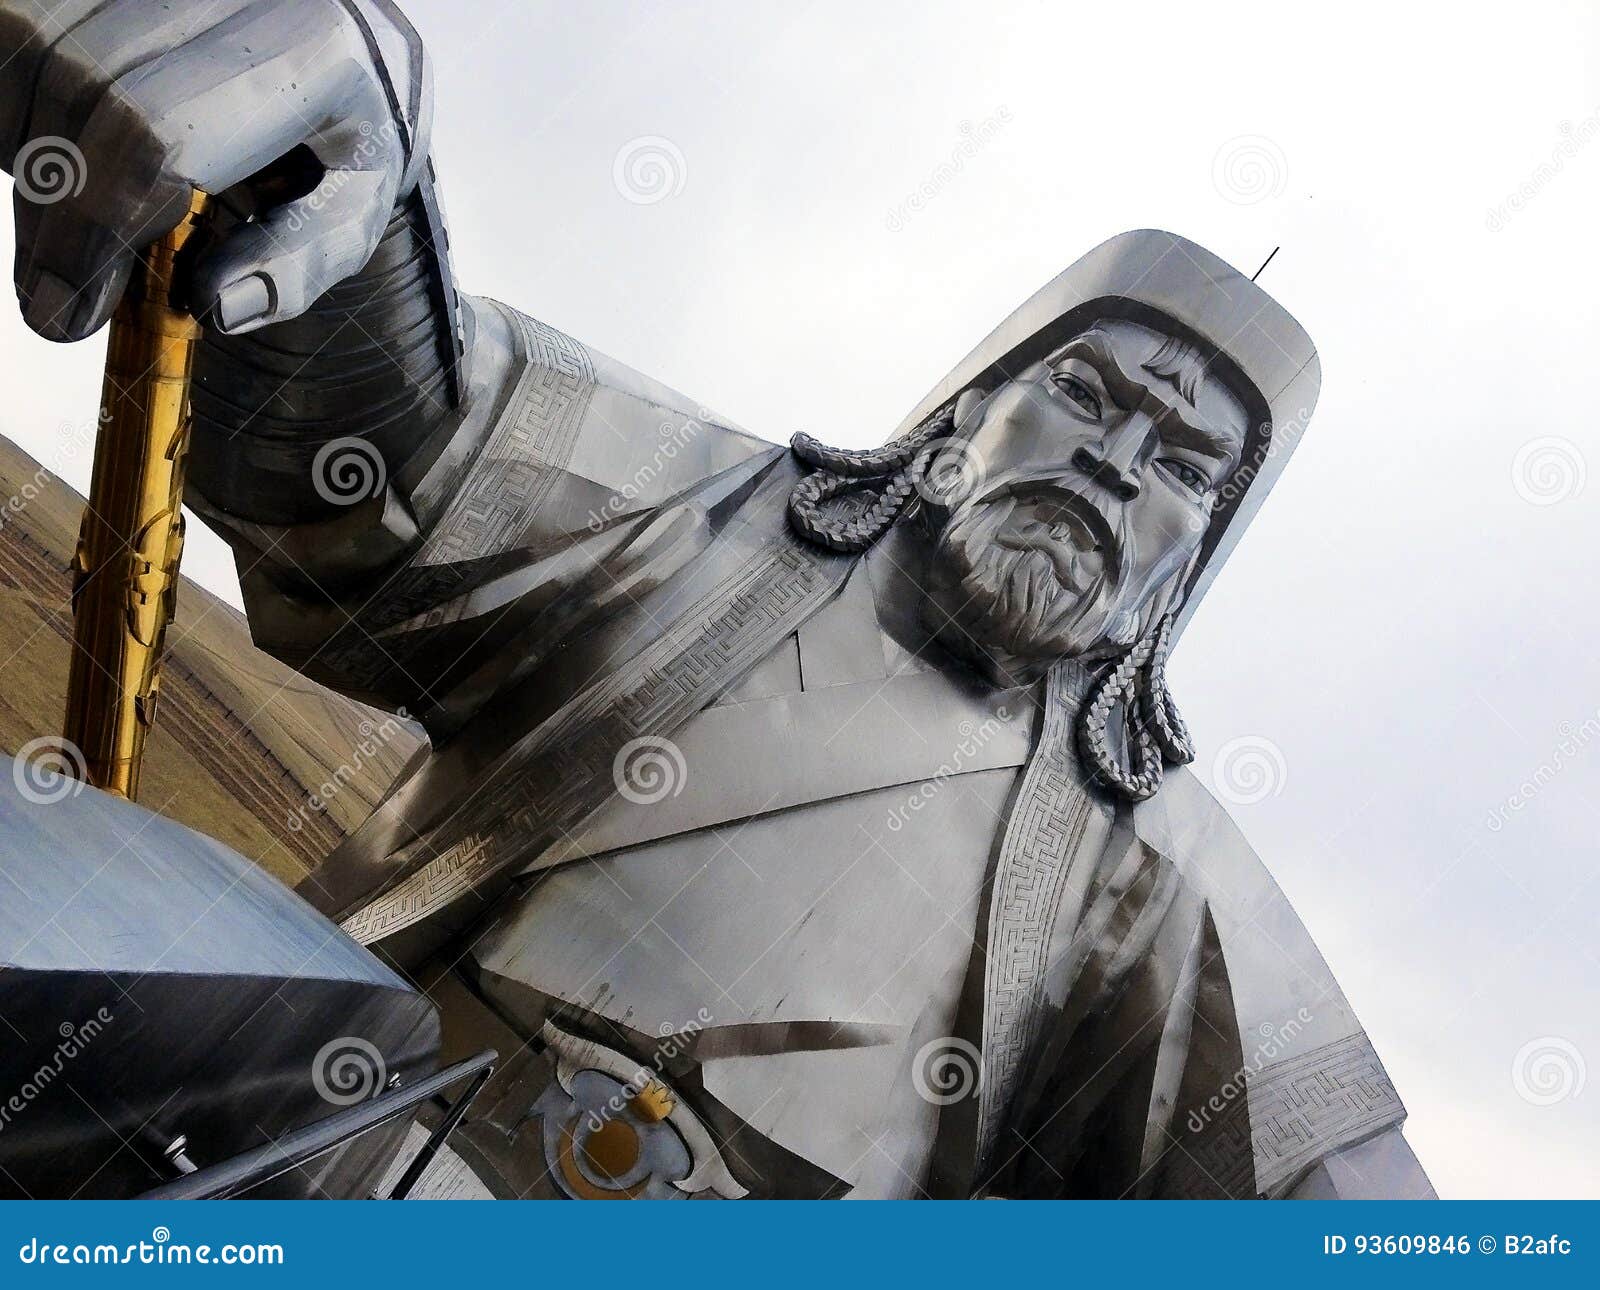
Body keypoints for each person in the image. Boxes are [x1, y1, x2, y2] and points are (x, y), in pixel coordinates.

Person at [0, 0, 1434, 1199]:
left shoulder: (1158, 884)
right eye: (1086, 392)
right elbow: (390, 453)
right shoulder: (713, 519)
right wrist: (333, 176)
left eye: (1181, 460)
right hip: (321, 1154)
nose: (1116, 463)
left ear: (1189, 571)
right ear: (958, 424)